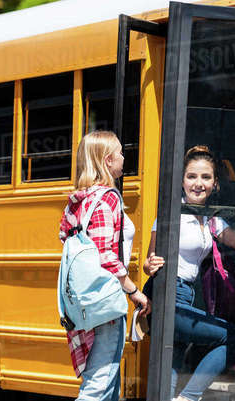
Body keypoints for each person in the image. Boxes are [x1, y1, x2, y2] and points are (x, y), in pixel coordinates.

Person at [143, 145, 235, 401]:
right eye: (192, 177)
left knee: (173, 362)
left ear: (215, 184)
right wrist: (150, 265)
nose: (198, 183)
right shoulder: (170, 214)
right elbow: (149, 260)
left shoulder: (211, 219)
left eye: (205, 177)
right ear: (182, 181)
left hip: (186, 296)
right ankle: (190, 397)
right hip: (167, 293)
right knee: (233, 336)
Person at [59, 130, 149, 401]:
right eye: (120, 153)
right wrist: (134, 291)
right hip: (104, 301)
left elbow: (67, 239)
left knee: (109, 388)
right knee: (99, 384)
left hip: (80, 301)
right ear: (107, 160)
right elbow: (105, 256)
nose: (124, 157)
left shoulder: (78, 200)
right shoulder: (108, 198)